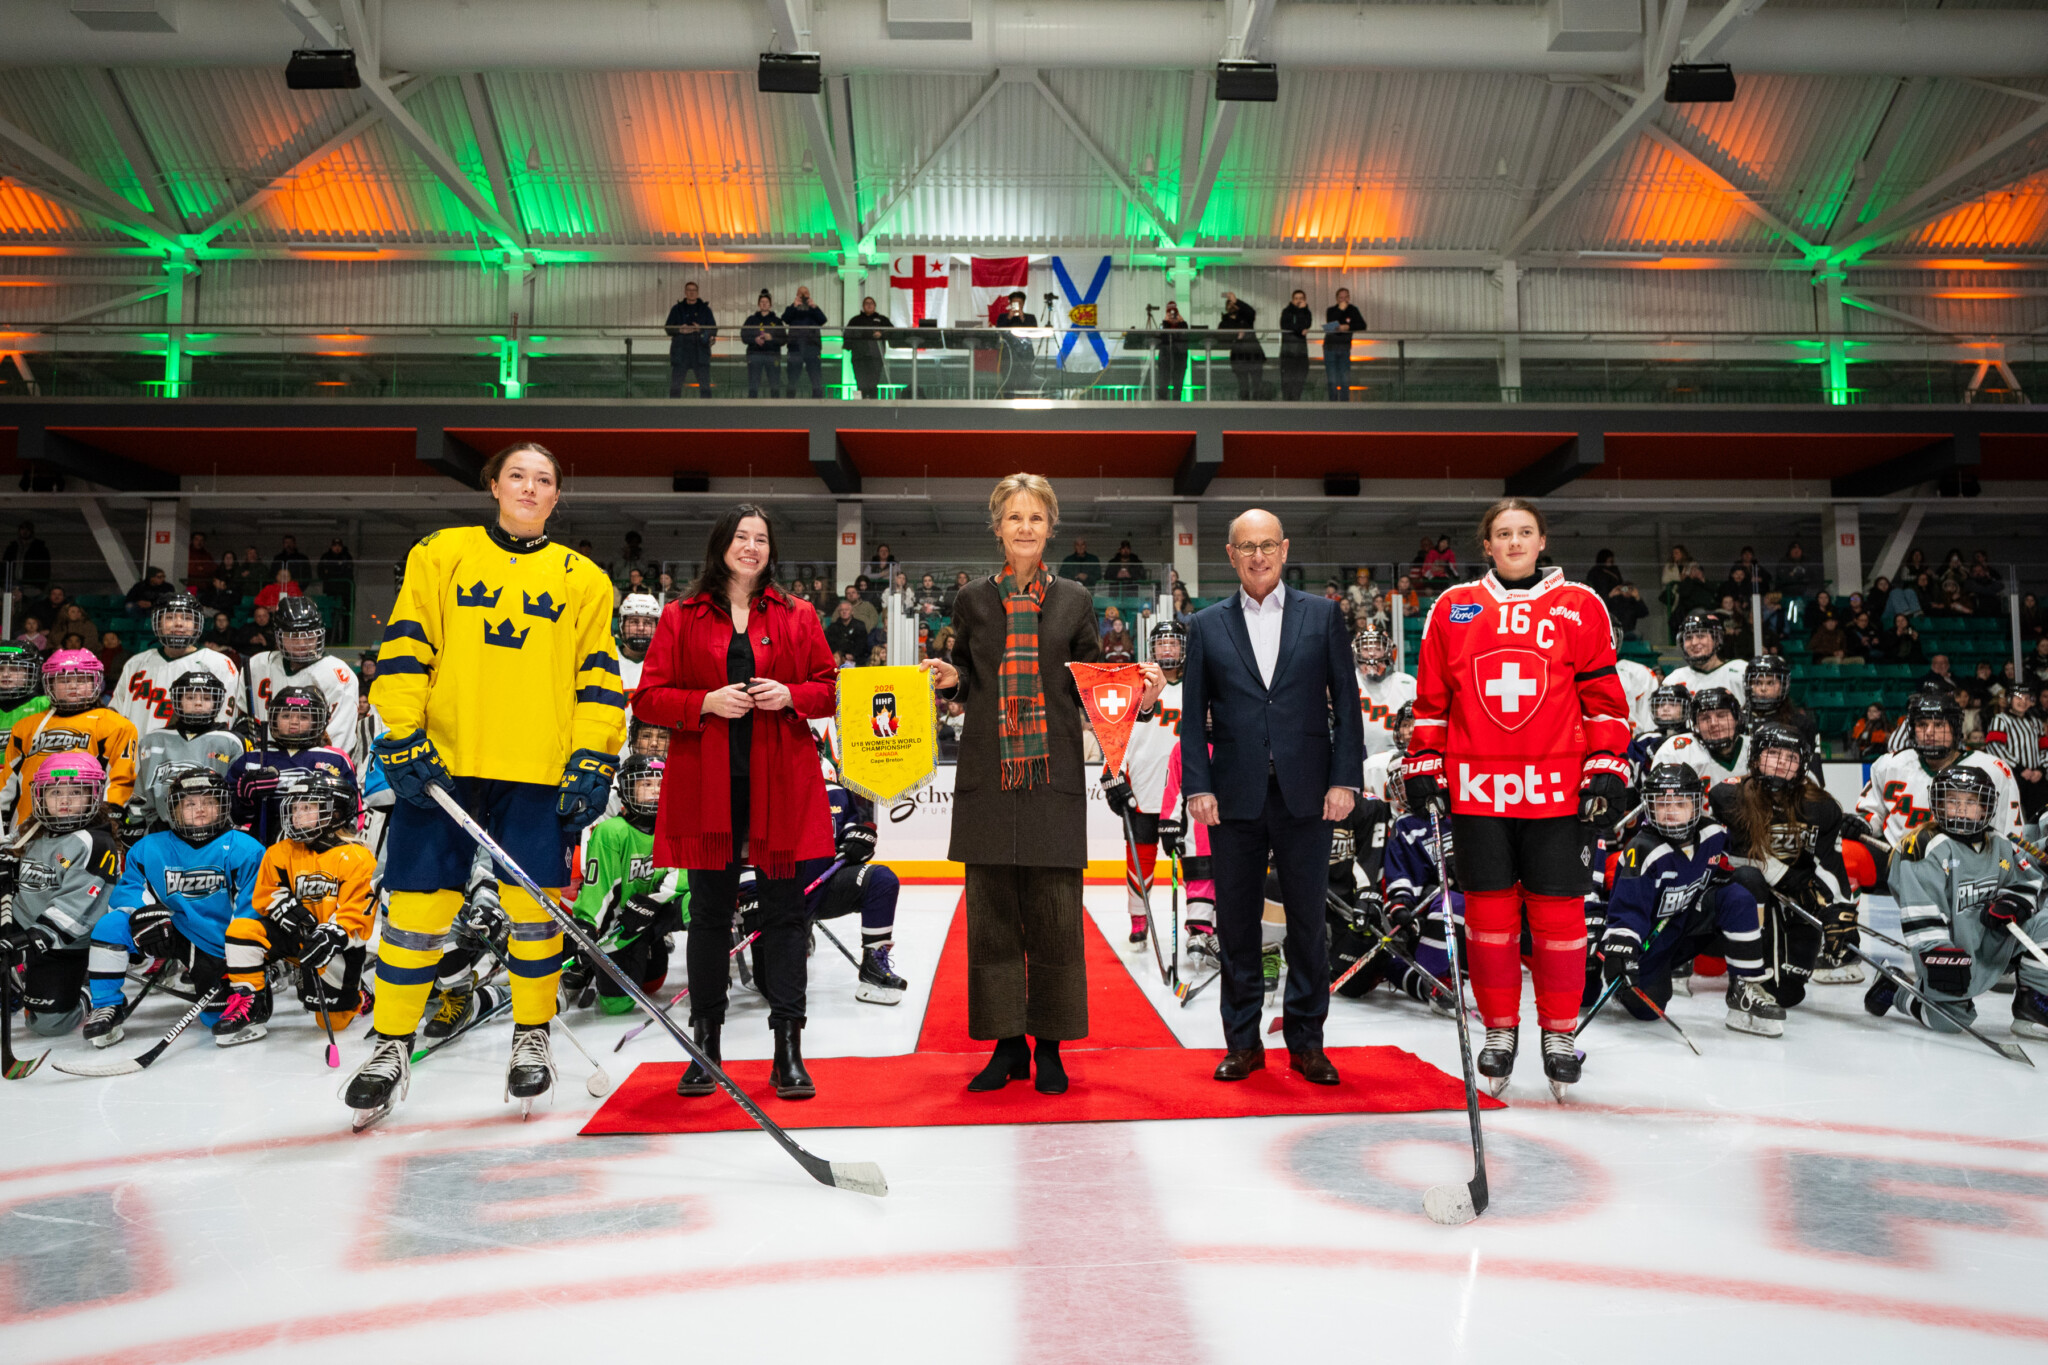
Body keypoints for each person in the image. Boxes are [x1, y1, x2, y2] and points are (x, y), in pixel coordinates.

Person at [350, 442, 626, 1130]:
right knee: (415, 914)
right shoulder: (441, 553)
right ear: (494, 485)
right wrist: (402, 732)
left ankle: (531, 1032)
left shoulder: (585, 579)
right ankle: (390, 1043)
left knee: (534, 915)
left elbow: (598, 680)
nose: (529, 488)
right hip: (445, 767)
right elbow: (407, 649)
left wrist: (594, 757)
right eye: (517, 477)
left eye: (544, 480)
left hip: (537, 770)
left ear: (557, 496)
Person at [919, 473, 1148, 1095]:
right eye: (1013, 517)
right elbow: (967, 674)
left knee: (1053, 915)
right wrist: (948, 678)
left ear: (1051, 528)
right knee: (991, 918)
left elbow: (1089, 679)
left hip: (1052, 773)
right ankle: (1007, 1046)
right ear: (997, 527)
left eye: (1036, 518)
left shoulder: (1075, 599)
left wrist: (1135, 687)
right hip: (989, 773)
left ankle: (1049, 1047)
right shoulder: (971, 599)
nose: (1024, 528)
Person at [1403, 497, 1630, 1098]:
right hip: (1479, 792)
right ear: (1487, 544)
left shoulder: (1579, 606)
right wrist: (1425, 761)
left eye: (1524, 532)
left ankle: (1558, 1033)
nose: (1513, 542)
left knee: (1559, 919)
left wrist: (1606, 765)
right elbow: (1433, 704)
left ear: (1540, 538)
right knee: (1489, 920)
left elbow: (1603, 700)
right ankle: (1499, 1029)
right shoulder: (1453, 609)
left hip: (1557, 794)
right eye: (1502, 533)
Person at [632, 504, 838, 1101]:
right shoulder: (680, 616)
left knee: (785, 916)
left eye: (762, 539)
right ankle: (705, 1050)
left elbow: (829, 689)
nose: (751, 547)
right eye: (742, 537)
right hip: (708, 786)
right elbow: (648, 698)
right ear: (721, 543)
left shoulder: (798, 615)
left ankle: (788, 1049)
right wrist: (704, 703)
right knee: (709, 918)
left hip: (781, 785)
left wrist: (789, 694)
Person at [1183, 509, 1361, 1087]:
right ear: (1230, 556)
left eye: (1267, 545)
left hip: (1308, 792)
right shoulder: (1206, 624)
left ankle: (1307, 1041)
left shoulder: (1323, 615)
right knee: (1236, 925)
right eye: (1246, 547)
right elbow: (1192, 719)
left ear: (1284, 549)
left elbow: (1347, 706)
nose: (1258, 556)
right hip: (1233, 795)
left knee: (1309, 921)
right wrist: (1199, 786)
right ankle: (1243, 1044)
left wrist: (1345, 779)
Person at [1867, 765, 2048, 1040]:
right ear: (1938, 804)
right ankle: (1898, 989)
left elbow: (2027, 879)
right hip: (1953, 948)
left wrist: (2011, 902)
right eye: (1952, 801)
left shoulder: (1999, 842)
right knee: (1949, 1021)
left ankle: (2032, 1005)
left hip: (1994, 939)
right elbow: (1920, 911)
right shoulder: (1922, 847)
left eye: (1971, 802)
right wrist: (1939, 954)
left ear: (1986, 807)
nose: (1961, 809)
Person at [87, 768, 263, 1047]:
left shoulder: (245, 848)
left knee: (215, 1019)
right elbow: (128, 892)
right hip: (169, 930)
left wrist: (239, 962)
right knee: (111, 926)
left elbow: (252, 909)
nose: (200, 810)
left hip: (219, 946)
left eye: (208, 802)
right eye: (190, 804)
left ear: (223, 805)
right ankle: (106, 1005)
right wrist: (145, 916)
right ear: (174, 810)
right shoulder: (149, 848)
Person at [1605, 765, 1783, 1036]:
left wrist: (1720, 877)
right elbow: (1628, 911)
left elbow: (1718, 866)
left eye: (1680, 802)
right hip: (1652, 941)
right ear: (1649, 808)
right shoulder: (1641, 851)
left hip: (1687, 924)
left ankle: (1745, 988)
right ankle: (1622, 988)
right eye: (1662, 803)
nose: (1672, 811)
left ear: (1697, 804)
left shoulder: (1714, 834)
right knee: (1648, 1008)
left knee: (1738, 892)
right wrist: (1622, 951)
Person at [215, 768, 374, 1046]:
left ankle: (360, 992)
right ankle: (249, 1000)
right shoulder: (280, 851)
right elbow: (264, 894)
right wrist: (282, 906)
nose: (297, 815)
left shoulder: (358, 857)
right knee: (243, 929)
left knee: (331, 1022)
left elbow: (359, 911)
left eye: (308, 808)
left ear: (336, 813)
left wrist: (331, 933)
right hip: (292, 938)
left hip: (332, 948)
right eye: (296, 808)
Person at [1, 754, 122, 1038]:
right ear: (41, 795)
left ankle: (85, 989)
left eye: (76, 792)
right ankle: (15, 986)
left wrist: (30, 940)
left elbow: (77, 906)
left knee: (47, 1023)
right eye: (56, 792)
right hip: (27, 929)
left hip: (65, 944)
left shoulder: (95, 842)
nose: (65, 801)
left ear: (94, 795)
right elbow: (9, 852)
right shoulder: (33, 830)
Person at [564, 755, 689, 1017]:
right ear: (627, 790)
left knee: (702, 904)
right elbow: (600, 888)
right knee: (619, 1005)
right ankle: (594, 969)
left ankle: (710, 982)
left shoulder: (677, 825)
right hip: (626, 924)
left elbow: (687, 873)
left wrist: (652, 901)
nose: (655, 791)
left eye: (660, 785)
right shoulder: (611, 832)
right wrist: (588, 931)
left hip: (659, 913)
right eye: (646, 784)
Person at [1102, 619, 1187, 947]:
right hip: (1144, 789)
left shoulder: (1197, 686)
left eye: (1173, 643)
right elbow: (1116, 733)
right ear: (1151, 649)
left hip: (1184, 793)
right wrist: (1113, 772)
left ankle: (1199, 923)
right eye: (1161, 643)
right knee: (1140, 860)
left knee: (1193, 861)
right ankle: (1139, 919)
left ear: (1182, 648)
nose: (1167, 649)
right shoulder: (1133, 686)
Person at [2, 650, 138, 833]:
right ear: (50, 684)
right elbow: (8, 782)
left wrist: (108, 820)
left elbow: (120, 780)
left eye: (82, 680)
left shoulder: (117, 725)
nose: (73, 686)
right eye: (64, 680)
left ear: (95, 682)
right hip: (26, 828)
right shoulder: (25, 727)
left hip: (85, 827)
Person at [227, 686, 355, 846]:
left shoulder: (334, 760)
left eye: (303, 717)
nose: (294, 722)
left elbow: (350, 812)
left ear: (318, 721)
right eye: (286, 716)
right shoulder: (252, 759)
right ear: (274, 718)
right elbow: (231, 816)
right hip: (262, 846)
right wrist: (244, 798)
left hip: (317, 848)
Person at [126, 669, 246, 836]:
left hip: (214, 831)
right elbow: (142, 797)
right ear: (178, 701)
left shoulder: (231, 741)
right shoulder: (153, 740)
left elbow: (237, 798)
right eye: (190, 697)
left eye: (206, 698)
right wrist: (134, 825)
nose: (198, 703)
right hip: (162, 831)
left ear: (217, 701)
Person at [244, 595, 359, 764]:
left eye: (309, 636)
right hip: (263, 760)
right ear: (279, 637)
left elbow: (338, 741)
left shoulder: (337, 674)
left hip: (315, 765)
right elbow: (242, 722)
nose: (303, 643)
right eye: (293, 637)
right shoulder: (257, 665)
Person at [113, 589, 240, 737]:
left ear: (197, 624)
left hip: (190, 756)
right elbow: (117, 714)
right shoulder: (136, 663)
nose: (178, 623)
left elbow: (223, 725)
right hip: (137, 755)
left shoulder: (219, 664)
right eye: (170, 617)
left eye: (186, 618)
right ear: (158, 623)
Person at [1654, 685, 1750, 789]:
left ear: (1737, 719)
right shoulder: (1676, 750)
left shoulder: (1755, 748)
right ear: (1695, 725)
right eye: (1705, 718)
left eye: (1721, 716)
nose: (1713, 723)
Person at [1353, 625, 1418, 759]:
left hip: (1399, 760)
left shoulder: (1407, 683)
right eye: (1366, 649)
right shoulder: (1349, 682)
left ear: (1388, 652)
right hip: (1357, 761)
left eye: (1377, 648)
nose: (1371, 654)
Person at [1986, 683, 2046, 821]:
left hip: (2036, 777)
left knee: (2039, 817)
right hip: (2013, 776)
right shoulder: (2000, 719)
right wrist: (2020, 769)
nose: (2023, 701)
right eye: (2018, 697)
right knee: (2015, 817)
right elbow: (1994, 747)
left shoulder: (2036, 722)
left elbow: (2044, 749)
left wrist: (2041, 769)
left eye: (2027, 698)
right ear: (2009, 700)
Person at [1664, 609, 1748, 697]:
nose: (1694, 642)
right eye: (1688, 638)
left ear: (1716, 640)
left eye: (1701, 636)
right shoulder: (1674, 680)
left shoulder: (1740, 671)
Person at [665, 280, 717, 397]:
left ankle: (706, 411)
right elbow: (668, 328)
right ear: (685, 292)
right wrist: (679, 329)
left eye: (694, 290)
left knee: (705, 385)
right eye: (689, 290)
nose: (691, 293)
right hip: (681, 351)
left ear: (697, 292)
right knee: (676, 385)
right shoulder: (677, 309)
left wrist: (700, 330)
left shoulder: (705, 310)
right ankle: (674, 411)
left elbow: (714, 329)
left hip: (700, 352)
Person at [782, 284, 828, 398]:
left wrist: (814, 306)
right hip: (795, 346)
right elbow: (785, 318)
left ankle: (817, 400)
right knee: (792, 376)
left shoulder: (813, 309)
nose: (803, 296)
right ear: (797, 295)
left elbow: (823, 320)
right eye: (801, 294)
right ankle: (790, 401)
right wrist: (794, 306)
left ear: (809, 295)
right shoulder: (791, 308)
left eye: (806, 293)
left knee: (815, 375)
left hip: (812, 345)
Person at [845, 295, 894, 399]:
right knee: (860, 382)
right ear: (863, 306)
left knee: (873, 383)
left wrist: (882, 334)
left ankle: (873, 405)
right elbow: (847, 335)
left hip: (875, 356)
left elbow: (892, 332)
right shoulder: (855, 320)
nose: (869, 305)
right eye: (866, 303)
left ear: (875, 306)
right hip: (859, 357)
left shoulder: (882, 320)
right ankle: (859, 407)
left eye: (871, 303)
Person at [1218, 291, 1263, 400]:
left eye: (1234, 304)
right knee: (1243, 385)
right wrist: (1236, 337)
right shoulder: (1224, 323)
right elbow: (1221, 339)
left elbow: (1251, 312)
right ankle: (1245, 407)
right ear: (1226, 307)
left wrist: (1236, 300)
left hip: (1254, 354)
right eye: (1230, 304)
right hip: (1238, 357)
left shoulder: (1246, 318)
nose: (1232, 305)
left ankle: (1257, 407)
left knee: (1257, 384)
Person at [1324, 287, 1365, 401]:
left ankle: (1344, 404)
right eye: (1341, 298)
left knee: (1345, 379)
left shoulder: (1353, 310)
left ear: (1349, 297)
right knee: (1332, 379)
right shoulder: (1331, 310)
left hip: (1345, 348)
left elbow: (1362, 325)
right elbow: (1331, 323)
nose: (1343, 300)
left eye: (1346, 297)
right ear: (1337, 299)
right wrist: (1340, 310)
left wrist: (1348, 327)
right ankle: (1332, 403)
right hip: (1330, 348)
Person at [994, 290, 1038, 396]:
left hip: (1025, 355)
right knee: (1007, 382)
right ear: (1010, 304)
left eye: (1020, 303)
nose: (1018, 306)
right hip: (1007, 355)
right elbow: (999, 331)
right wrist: (1009, 317)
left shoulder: (1030, 317)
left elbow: (1034, 332)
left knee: (1025, 382)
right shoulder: (1003, 317)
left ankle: (1024, 405)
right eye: (1015, 303)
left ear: (1023, 304)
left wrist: (1022, 318)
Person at [0, 642, 49, 736]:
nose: (5, 675)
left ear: (30, 673)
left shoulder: (44, 704)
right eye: (0, 669)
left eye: (15, 669)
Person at [742, 290, 785, 398]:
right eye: (762, 302)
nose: (764, 304)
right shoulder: (751, 320)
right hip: (755, 354)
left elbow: (784, 339)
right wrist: (754, 339)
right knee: (753, 384)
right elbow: (744, 335)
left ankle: (775, 409)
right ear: (758, 304)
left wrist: (772, 338)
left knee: (774, 384)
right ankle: (752, 409)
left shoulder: (777, 321)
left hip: (772, 355)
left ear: (770, 304)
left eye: (766, 302)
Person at [1277, 289, 1312, 401]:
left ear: (1304, 300)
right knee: (1287, 379)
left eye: (1301, 298)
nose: (1298, 301)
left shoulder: (1306, 312)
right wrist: (1300, 330)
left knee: (1300, 379)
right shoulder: (1287, 312)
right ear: (1292, 300)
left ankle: (1297, 399)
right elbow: (1286, 325)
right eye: (1296, 298)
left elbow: (1307, 324)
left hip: (1301, 352)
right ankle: (1287, 400)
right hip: (1288, 352)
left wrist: (1302, 311)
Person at [318, 538, 355, 639]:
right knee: (330, 617)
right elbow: (321, 573)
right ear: (331, 546)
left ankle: (345, 638)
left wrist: (331, 572)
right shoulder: (326, 557)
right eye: (335, 545)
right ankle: (330, 639)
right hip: (330, 592)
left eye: (339, 546)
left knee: (345, 617)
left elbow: (347, 573)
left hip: (345, 592)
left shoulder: (346, 556)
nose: (337, 548)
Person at [1154, 300, 1190, 400]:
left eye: (1174, 314)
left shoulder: (1182, 326)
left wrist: (1182, 322)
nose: (1172, 316)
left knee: (1177, 388)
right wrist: (1165, 322)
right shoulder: (1163, 326)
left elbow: (1186, 336)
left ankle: (1177, 405)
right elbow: (1161, 338)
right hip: (1165, 360)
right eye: (1170, 314)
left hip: (1180, 359)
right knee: (1162, 386)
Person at [3, 522, 50, 593]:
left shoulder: (40, 548)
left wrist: (41, 585)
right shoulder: (12, 547)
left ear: (31, 531)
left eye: (27, 529)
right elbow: (5, 565)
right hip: (12, 582)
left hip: (31, 584)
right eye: (22, 529)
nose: (24, 532)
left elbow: (45, 568)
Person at [823, 598, 866, 663]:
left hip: (857, 659)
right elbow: (831, 644)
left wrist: (853, 655)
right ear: (839, 612)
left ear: (852, 612)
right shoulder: (833, 627)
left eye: (847, 610)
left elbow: (862, 644)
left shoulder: (860, 625)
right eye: (841, 610)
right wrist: (842, 655)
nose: (844, 612)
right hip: (838, 659)